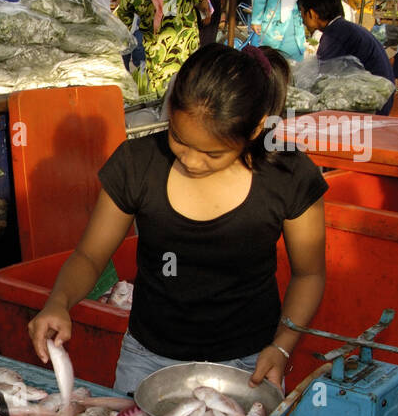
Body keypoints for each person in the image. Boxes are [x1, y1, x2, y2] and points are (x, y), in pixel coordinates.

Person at [28, 44, 326, 395]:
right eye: (179, 140)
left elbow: (310, 274)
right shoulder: (138, 164)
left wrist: (281, 346)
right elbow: (90, 256)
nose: (192, 161)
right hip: (148, 360)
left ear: (256, 129)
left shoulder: (288, 173)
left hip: (250, 364)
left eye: (213, 153)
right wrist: (59, 302)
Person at [114, 0, 211, 95]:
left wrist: (203, 3)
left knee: (188, 83)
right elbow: (122, 24)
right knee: (161, 91)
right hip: (157, 48)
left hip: (185, 35)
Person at [297, 0, 396, 115]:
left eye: (302, 12)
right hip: (381, 101)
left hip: (373, 107)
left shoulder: (335, 36)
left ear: (312, 14)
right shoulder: (344, 29)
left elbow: (323, 81)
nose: (302, 19)